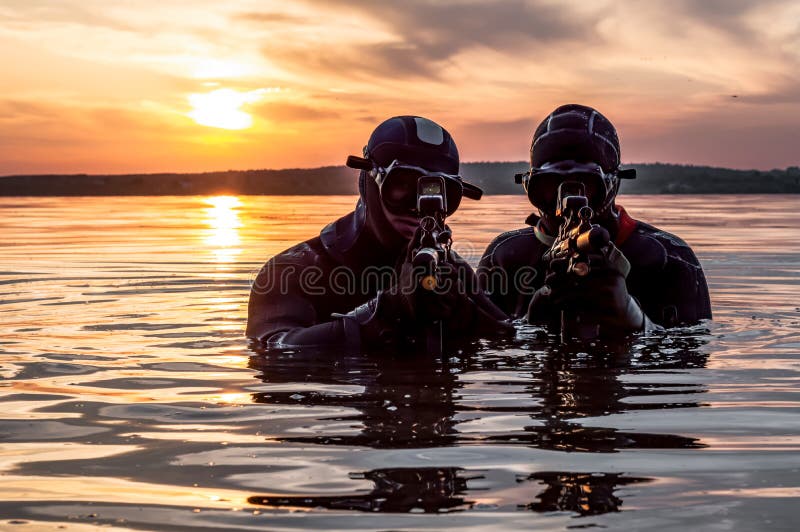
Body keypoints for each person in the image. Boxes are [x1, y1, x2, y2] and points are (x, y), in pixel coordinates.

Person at [247, 115, 510, 350]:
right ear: (370, 182)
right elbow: (272, 349)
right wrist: (386, 311)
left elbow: (513, 342)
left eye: (439, 192)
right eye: (402, 186)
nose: (417, 207)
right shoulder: (291, 272)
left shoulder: (455, 276)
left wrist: (467, 315)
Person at [478, 104, 711, 338]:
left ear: (612, 185)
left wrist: (632, 318)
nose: (566, 205)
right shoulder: (504, 257)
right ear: (530, 186)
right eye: (550, 187)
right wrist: (529, 328)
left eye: (585, 185)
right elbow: (478, 353)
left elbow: (693, 356)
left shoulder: (668, 259)